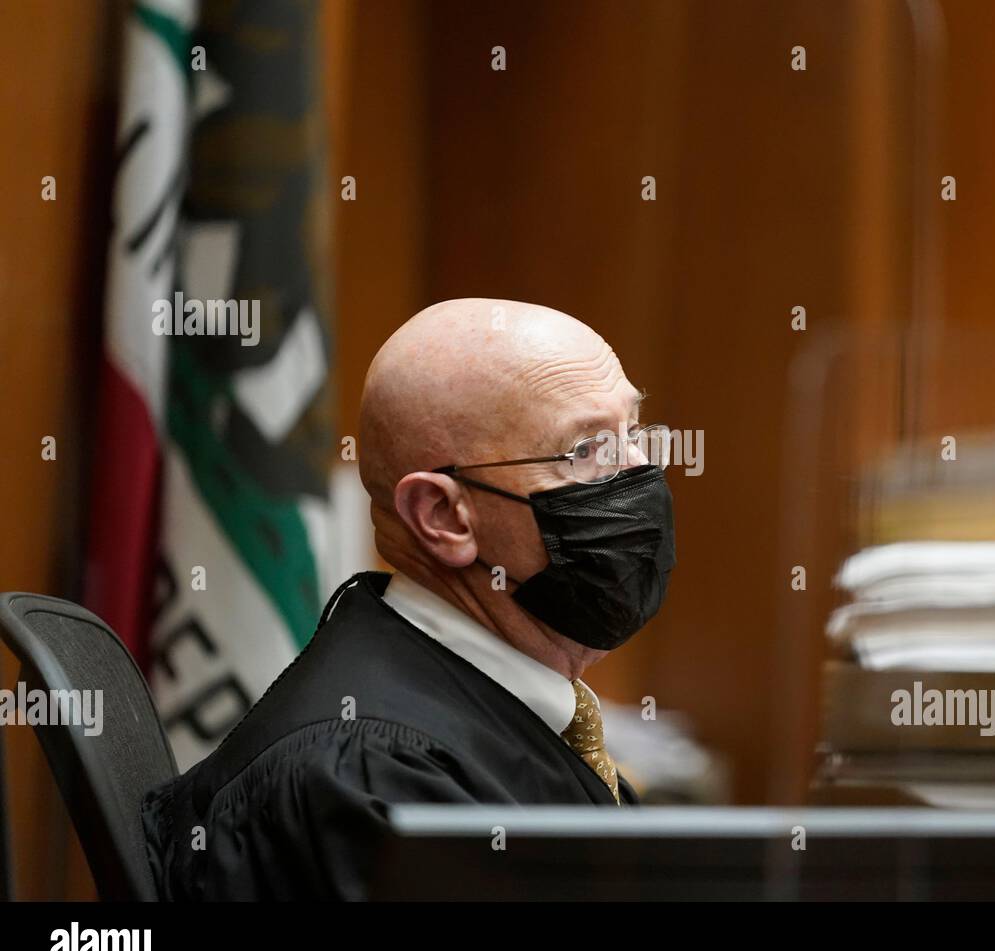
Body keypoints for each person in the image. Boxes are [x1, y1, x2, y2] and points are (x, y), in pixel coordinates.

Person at [141, 299, 676, 899]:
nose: (639, 477)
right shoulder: (374, 776)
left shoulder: (500, 704)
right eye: (586, 451)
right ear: (443, 515)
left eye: (634, 434)